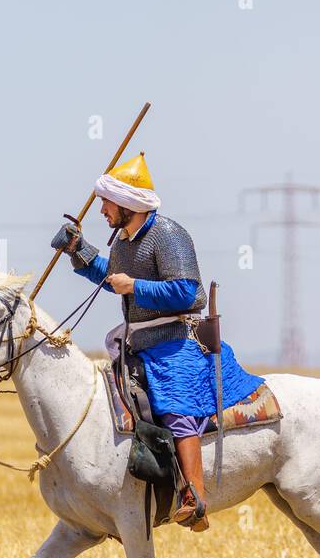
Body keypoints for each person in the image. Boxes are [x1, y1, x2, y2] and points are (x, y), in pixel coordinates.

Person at [51, 153, 263, 530]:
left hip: (174, 342)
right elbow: (111, 275)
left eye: (106, 202)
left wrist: (136, 286)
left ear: (126, 204)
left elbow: (190, 293)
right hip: (135, 343)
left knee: (174, 405)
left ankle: (193, 497)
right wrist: (78, 249)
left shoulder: (167, 234)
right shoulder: (123, 241)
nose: (101, 210)